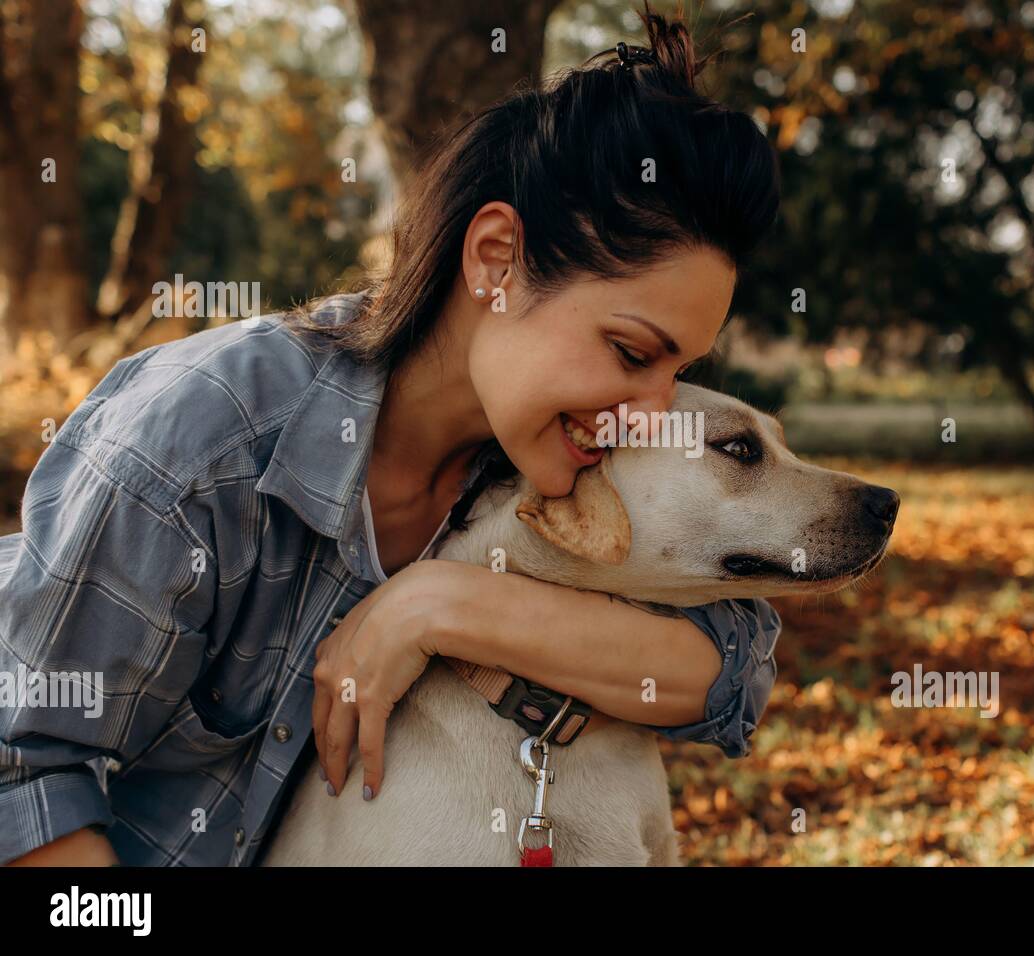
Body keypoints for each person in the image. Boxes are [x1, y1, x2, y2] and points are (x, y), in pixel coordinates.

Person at [0, 2, 782, 866]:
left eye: (677, 372)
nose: (651, 410)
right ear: (495, 260)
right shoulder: (201, 443)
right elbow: (23, 770)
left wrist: (439, 604)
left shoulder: (532, 460)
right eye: (632, 351)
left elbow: (728, 669)